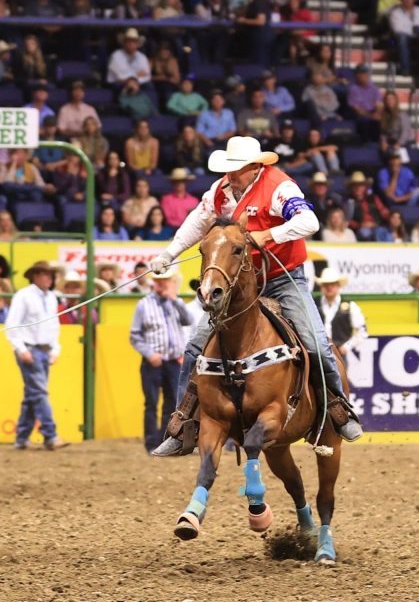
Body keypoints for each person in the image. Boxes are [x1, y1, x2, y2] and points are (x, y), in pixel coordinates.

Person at [148, 135, 364, 457]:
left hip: (284, 278)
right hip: (240, 286)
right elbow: (198, 220)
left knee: (316, 342)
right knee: (195, 346)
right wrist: (170, 252)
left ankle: (336, 407)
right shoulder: (220, 191)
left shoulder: (280, 186)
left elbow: (308, 221)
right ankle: (183, 425)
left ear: (254, 167)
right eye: (229, 169)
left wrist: (270, 233)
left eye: (236, 169)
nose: (230, 175)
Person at [5, 261, 67, 451]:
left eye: (49, 275)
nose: (47, 278)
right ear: (34, 276)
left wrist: (55, 349)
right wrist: (21, 349)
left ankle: (22, 437)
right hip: (30, 348)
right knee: (39, 392)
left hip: (43, 349)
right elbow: (12, 324)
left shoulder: (51, 298)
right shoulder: (23, 296)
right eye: (43, 274)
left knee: (33, 394)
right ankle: (50, 434)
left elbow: (53, 326)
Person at [129, 269, 193, 453]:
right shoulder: (143, 305)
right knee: (151, 403)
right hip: (152, 362)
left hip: (173, 361)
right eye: (159, 280)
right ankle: (151, 443)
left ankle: (165, 442)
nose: (162, 284)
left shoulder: (176, 302)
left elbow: (187, 320)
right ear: (154, 283)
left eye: (166, 280)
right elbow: (135, 336)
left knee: (172, 403)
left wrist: (175, 300)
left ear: (171, 282)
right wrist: (149, 353)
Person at [315, 269, 368, 358]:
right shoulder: (314, 305)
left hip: (340, 356)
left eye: (332, 284)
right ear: (322, 286)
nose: (329, 287)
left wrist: (347, 346)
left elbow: (362, 331)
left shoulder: (350, 306)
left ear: (338, 285)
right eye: (326, 284)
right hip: (317, 356)